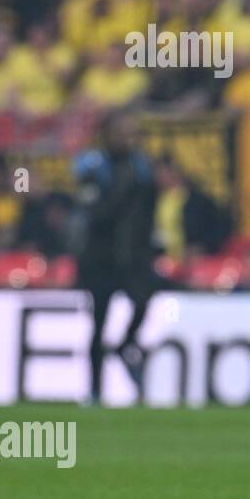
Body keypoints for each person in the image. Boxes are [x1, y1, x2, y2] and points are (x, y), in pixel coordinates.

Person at [74, 112, 158, 403]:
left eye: (131, 133)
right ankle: (95, 390)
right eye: (121, 132)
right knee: (98, 323)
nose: (127, 138)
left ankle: (125, 344)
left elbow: (148, 212)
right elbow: (93, 212)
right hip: (100, 258)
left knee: (143, 302)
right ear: (107, 134)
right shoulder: (93, 167)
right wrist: (121, 198)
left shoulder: (141, 168)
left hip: (132, 257)